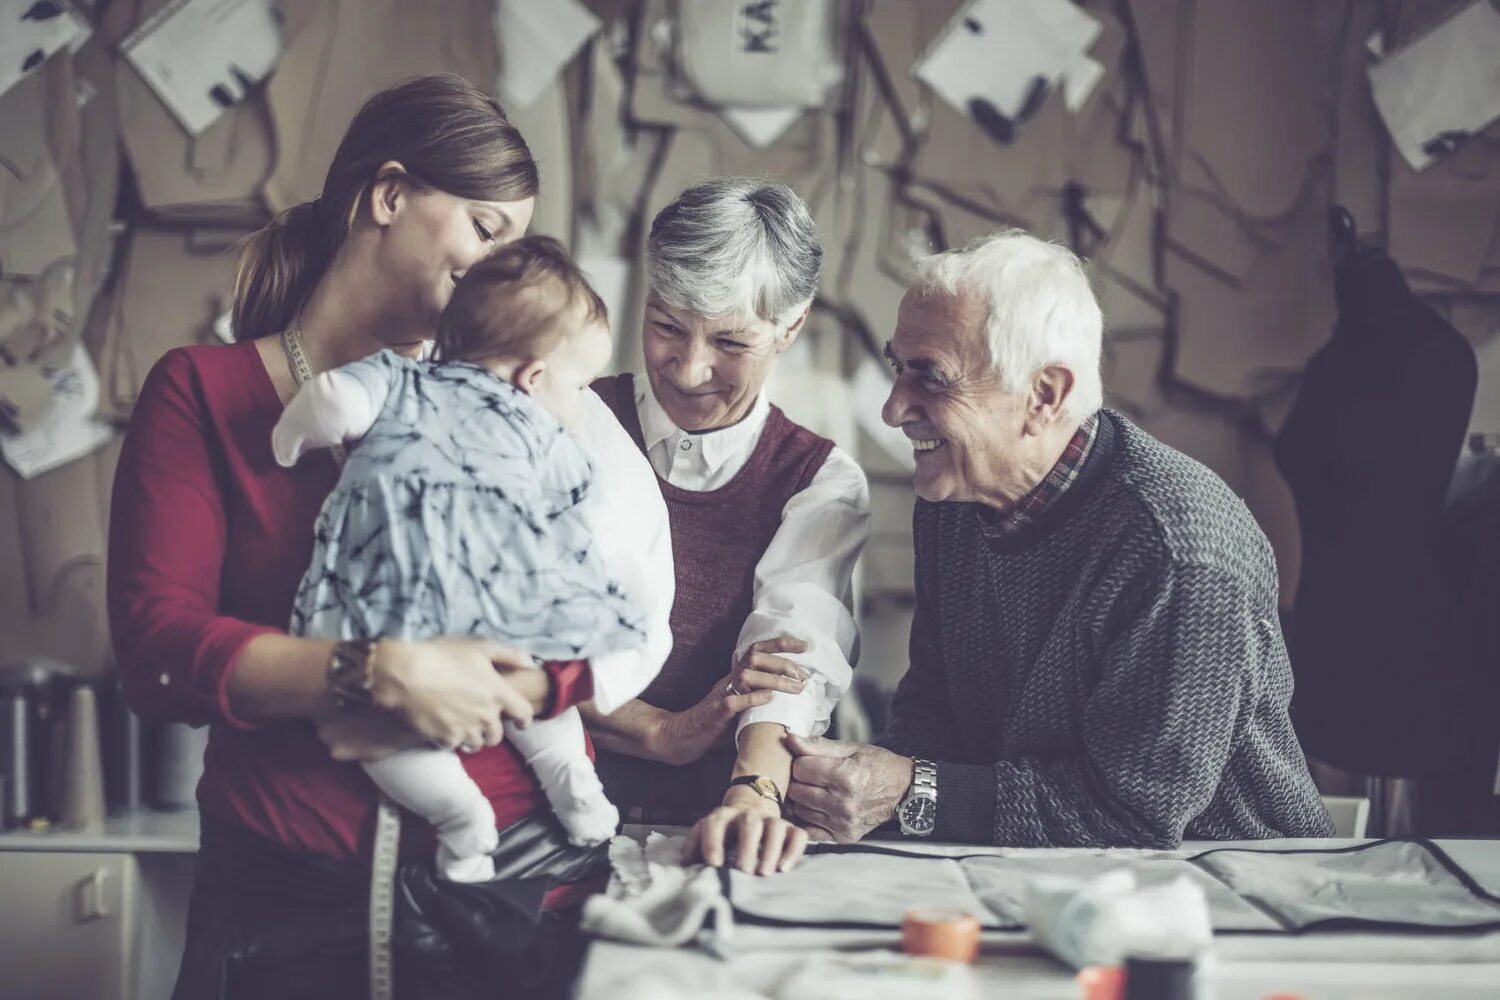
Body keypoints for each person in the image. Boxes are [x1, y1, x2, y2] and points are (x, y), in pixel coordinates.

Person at [107, 75, 670, 999]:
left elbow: (607, 616)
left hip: (513, 891)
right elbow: (154, 655)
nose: (500, 269)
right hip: (282, 905)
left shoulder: (538, 408)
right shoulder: (205, 393)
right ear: (390, 195)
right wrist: (372, 671)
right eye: (487, 231)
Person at [781, 230, 1333, 850]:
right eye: (897, 368)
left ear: (1045, 396)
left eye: (931, 378)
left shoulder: (1179, 551)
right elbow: (932, 715)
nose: (892, 409)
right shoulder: (955, 499)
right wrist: (854, 788)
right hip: (1036, 870)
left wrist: (912, 792)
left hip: (1228, 889)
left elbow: (1134, 818)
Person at [271, 237, 661, 882]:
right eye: (580, 386)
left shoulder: (402, 380)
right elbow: (586, 510)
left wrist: (288, 442)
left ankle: (460, 823)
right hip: (497, 600)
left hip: (385, 602)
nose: (578, 403)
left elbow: (334, 404)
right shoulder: (546, 433)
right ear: (533, 378)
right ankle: (574, 785)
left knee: (383, 738)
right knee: (535, 699)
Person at [585, 179, 871, 875]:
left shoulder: (819, 480)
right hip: (541, 798)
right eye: (666, 326)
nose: (689, 369)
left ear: (790, 328)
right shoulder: (568, 420)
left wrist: (753, 793)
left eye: (731, 340)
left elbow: (790, 656)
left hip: (708, 825)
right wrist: (662, 734)